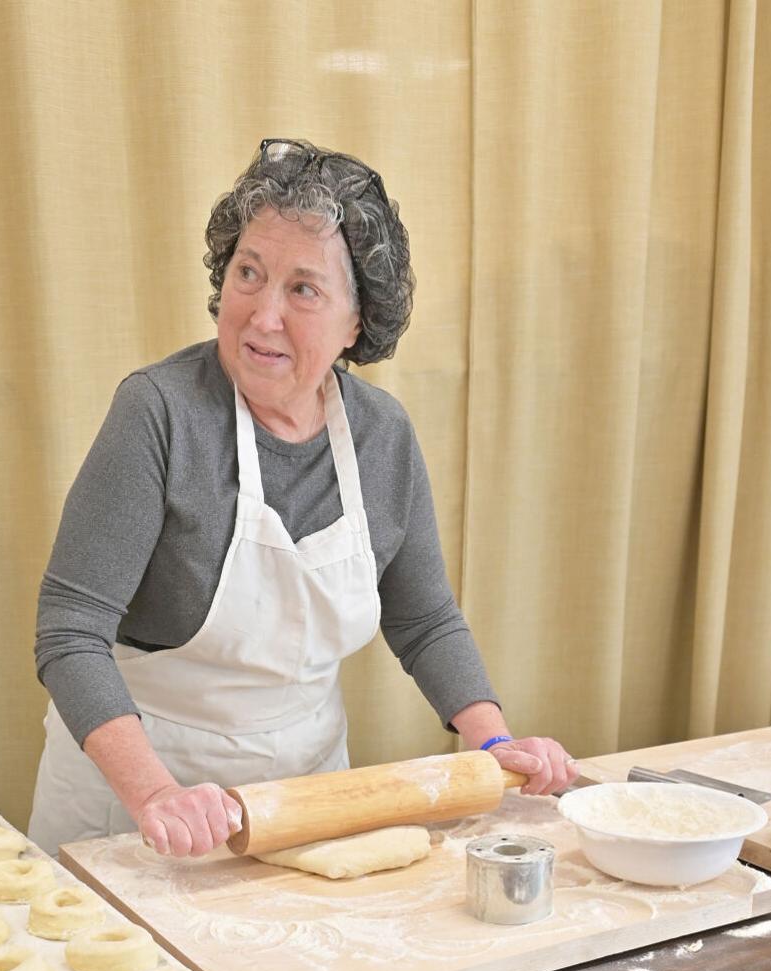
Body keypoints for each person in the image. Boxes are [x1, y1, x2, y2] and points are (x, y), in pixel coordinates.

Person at [30, 138, 577, 857]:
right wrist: (155, 794)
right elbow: (70, 630)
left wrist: (494, 742)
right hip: (142, 804)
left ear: (358, 321)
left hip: (307, 804)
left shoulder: (381, 436)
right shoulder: (159, 413)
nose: (260, 316)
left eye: (303, 289)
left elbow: (424, 617)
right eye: (248, 274)